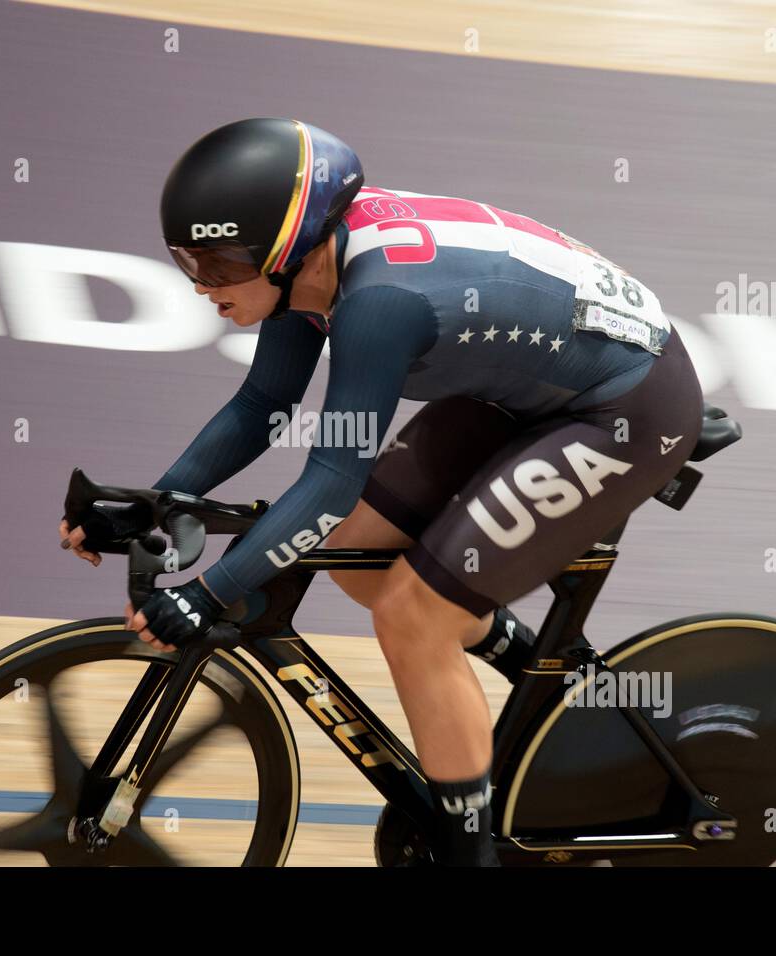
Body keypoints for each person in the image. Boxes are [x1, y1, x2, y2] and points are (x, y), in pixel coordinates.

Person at [59, 117, 704, 866]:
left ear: (287, 247)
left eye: (223, 262)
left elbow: (332, 481)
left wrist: (209, 594)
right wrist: (156, 506)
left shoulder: (377, 304)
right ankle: (521, 667)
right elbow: (262, 406)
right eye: (188, 261)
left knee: (413, 619)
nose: (205, 285)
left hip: (624, 409)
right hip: (527, 389)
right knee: (350, 553)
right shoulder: (310, 267)